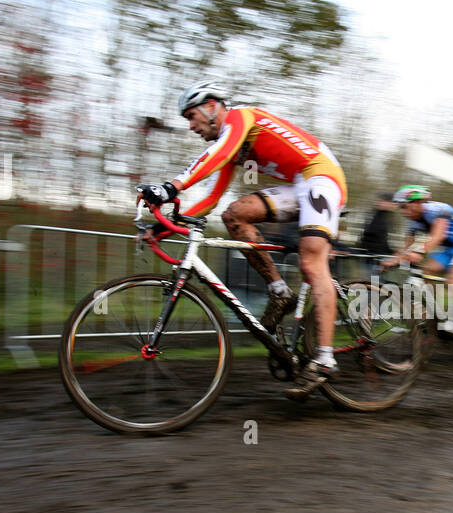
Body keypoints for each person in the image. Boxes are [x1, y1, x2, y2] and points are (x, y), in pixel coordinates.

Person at [135, 81, 347, 399]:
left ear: (211, 107)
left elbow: (214, 155)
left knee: (311, 262)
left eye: (191, 116)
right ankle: (279, 292)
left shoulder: (240, 118)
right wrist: (162, 228)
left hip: (321, 176)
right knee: (234, 215)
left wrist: (171, 187)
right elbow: (211, 200)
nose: (191, 126)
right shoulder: (234, 148)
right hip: (300, 184)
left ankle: (325, 360)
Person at [379, 186, 453, 334]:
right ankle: (433, 314)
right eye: (401, 209)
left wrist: (418, 252)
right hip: (451, 250)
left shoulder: (438, 209)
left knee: (452, 281)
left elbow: (438, 236)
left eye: (406, 207)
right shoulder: (413, 222)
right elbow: (405, 248)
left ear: (418, 202)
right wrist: (392, 260)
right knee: (426, 270)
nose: (404, 212)